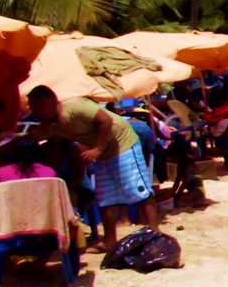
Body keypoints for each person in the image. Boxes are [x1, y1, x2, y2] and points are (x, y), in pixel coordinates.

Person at [25, 85, 159, 252]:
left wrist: (97, 149)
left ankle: (155, 233)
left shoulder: (75, 107)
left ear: (47, 103)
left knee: (139, 190)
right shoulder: (51, 126)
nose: (33, 112)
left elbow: (106, 121)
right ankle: (109, 241)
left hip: (122, 145)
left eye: (35, 107)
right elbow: (28, 139)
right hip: (101, 155)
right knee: (106, 199)